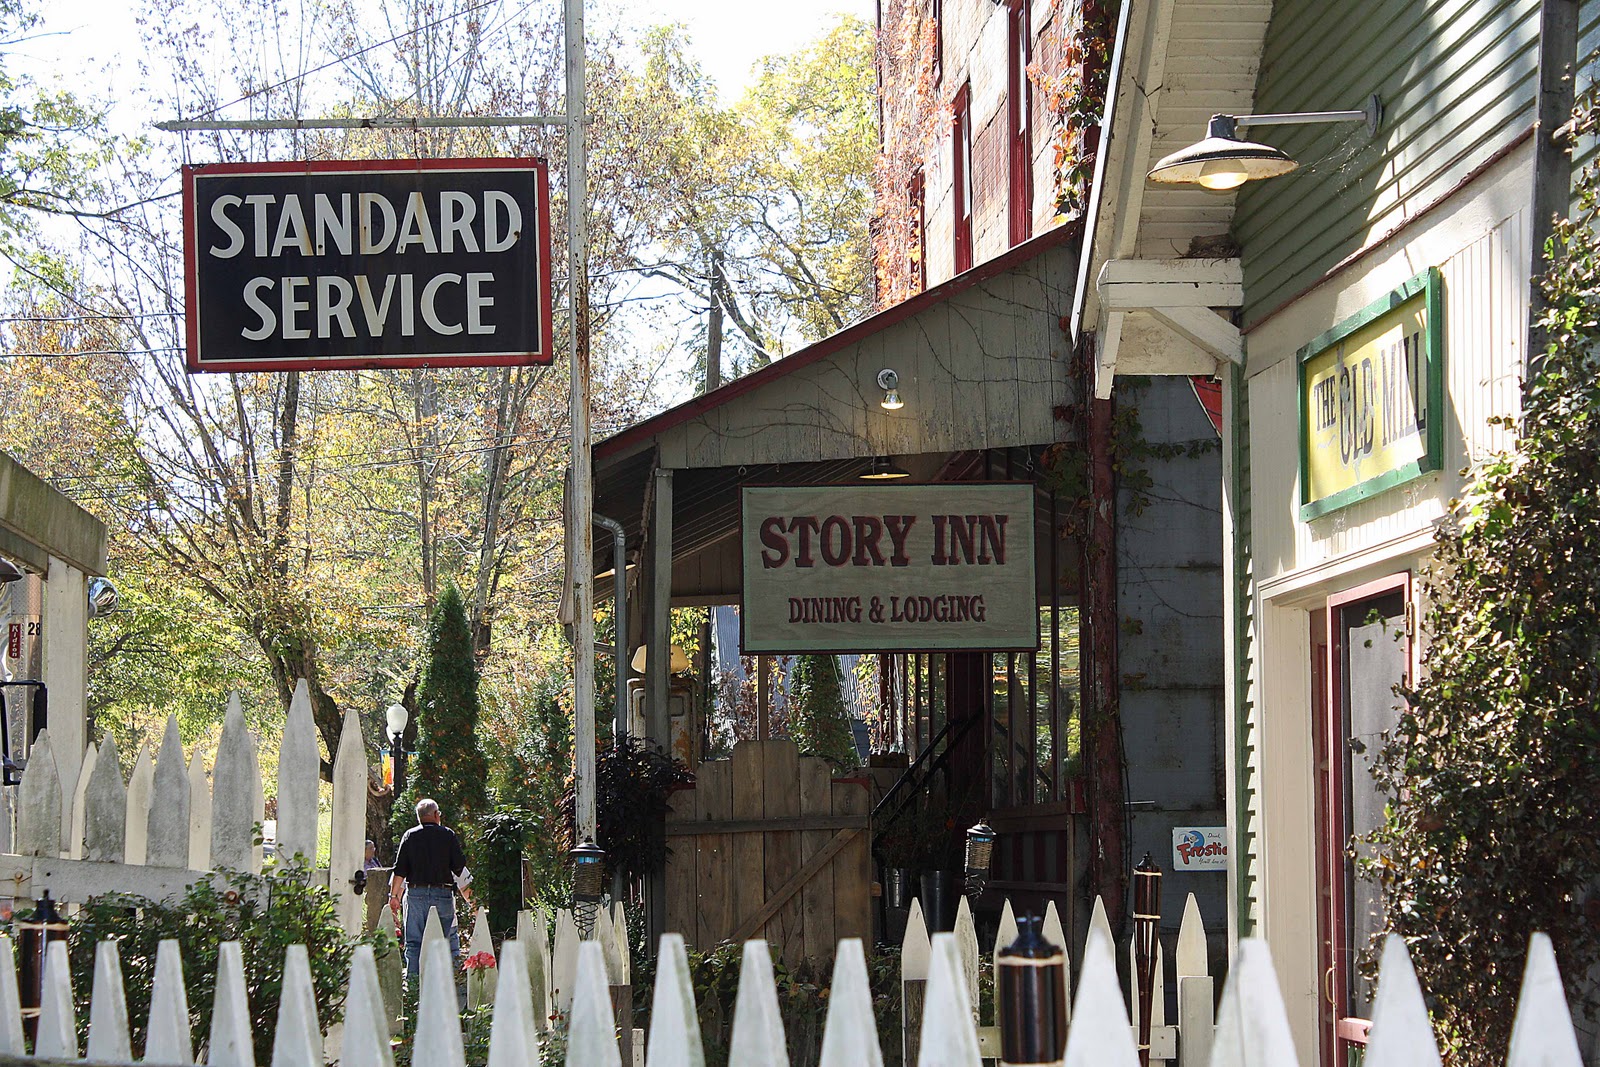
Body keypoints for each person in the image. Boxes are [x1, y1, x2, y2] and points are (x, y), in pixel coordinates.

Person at [389, 798, 468, 981]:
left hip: (416, 893)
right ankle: (445, 983)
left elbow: (400, 869)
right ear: (435, 815)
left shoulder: (410, 836)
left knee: (414, 942)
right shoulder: (448, 835)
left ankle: (414, 985)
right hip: (442, 894)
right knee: (444, 941)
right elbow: (459, 866)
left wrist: (394, 896)